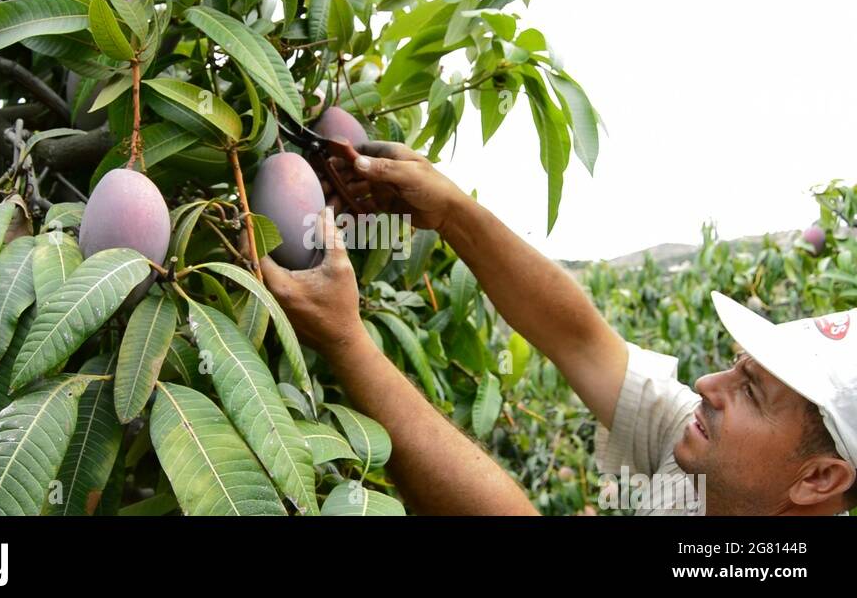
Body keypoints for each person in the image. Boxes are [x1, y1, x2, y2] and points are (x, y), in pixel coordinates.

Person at [260, 141, 857, 516]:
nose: (707, 383)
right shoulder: (712, 463)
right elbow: (582, 341)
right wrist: (452, 212)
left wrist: (346, 340)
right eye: (736, 367)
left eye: (750, 392)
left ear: (821, 477)